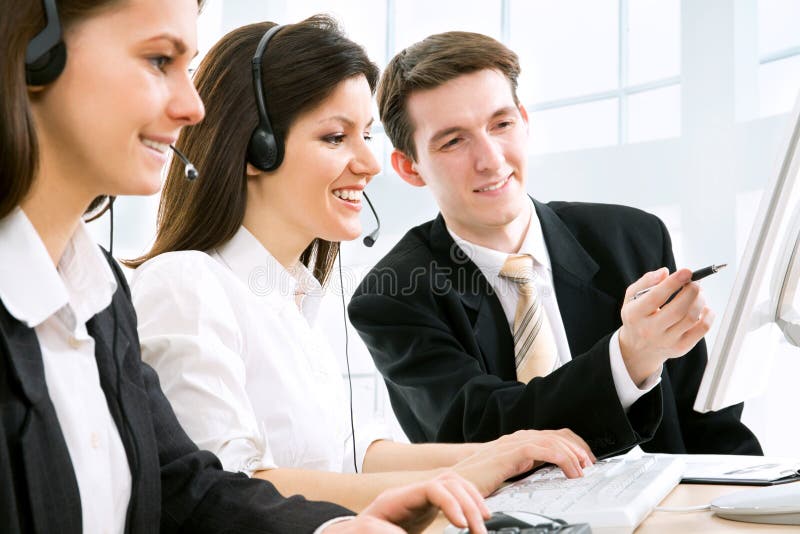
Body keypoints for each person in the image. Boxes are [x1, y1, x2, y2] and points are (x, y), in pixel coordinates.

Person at [0, 2, 508, 532]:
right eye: (158, 60)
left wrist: (342, 524)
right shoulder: (182, 285)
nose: (191, 107)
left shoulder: (103, 298)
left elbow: (192, 487)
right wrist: (469, 473)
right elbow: (232, 479)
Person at [125, 16, 595, 514]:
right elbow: (229, 487)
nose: (369, 163)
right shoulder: (187, 285)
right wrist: (457, 477)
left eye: (366, 135)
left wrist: (506, 454)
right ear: (256, 148)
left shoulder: (291, 299)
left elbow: (353, 453)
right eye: (334, 137)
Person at [347, 30, 762, 457]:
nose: (491, 159)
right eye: (454, 141)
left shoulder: (633, 238)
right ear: (409, 167)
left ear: (524, 122)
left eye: (502, 124)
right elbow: (480, 431)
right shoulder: (392, 294)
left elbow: (712, 427)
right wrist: (629, 357)